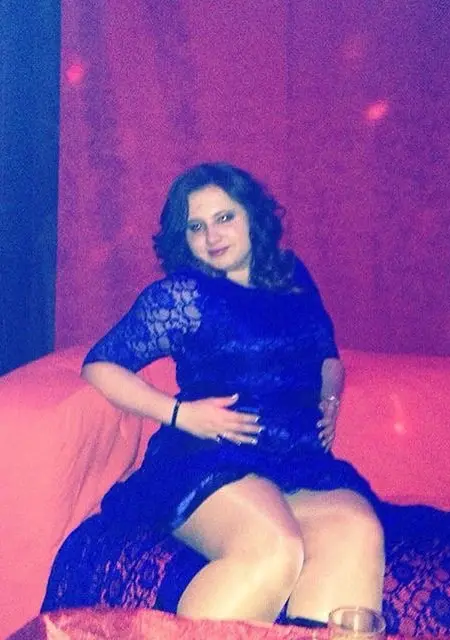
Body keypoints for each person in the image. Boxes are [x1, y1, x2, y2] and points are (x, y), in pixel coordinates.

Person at [69, 161, 384, 628]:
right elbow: (100, 364)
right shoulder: (184, 296)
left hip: (295, 456)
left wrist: (330, 401)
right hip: (210, 454)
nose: (211, 236)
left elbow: (326, 356)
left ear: (251, 215)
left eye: (224, 217)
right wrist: (180, 414)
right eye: (196, 226)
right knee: (275, 548)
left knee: (357, 530)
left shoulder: (292, 277)